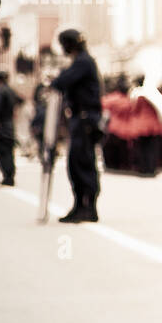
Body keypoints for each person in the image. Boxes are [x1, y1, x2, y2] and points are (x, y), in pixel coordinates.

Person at [51, 30, 103, 221]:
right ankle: (79, 204)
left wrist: (57, 78)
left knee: (82, 163)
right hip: (80, 119)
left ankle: (88, 207)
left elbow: (61, 81)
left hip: (84, 120)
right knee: (75, 163)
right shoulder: (81, 61)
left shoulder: (83, 61)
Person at [0, 70, 21, 186]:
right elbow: (20, 100)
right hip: (10, 124)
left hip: (1, 125)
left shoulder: (1, 91)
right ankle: (10, 176)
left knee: (1, 151)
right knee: (9, 151)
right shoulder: (11, 91)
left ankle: (7, 176)